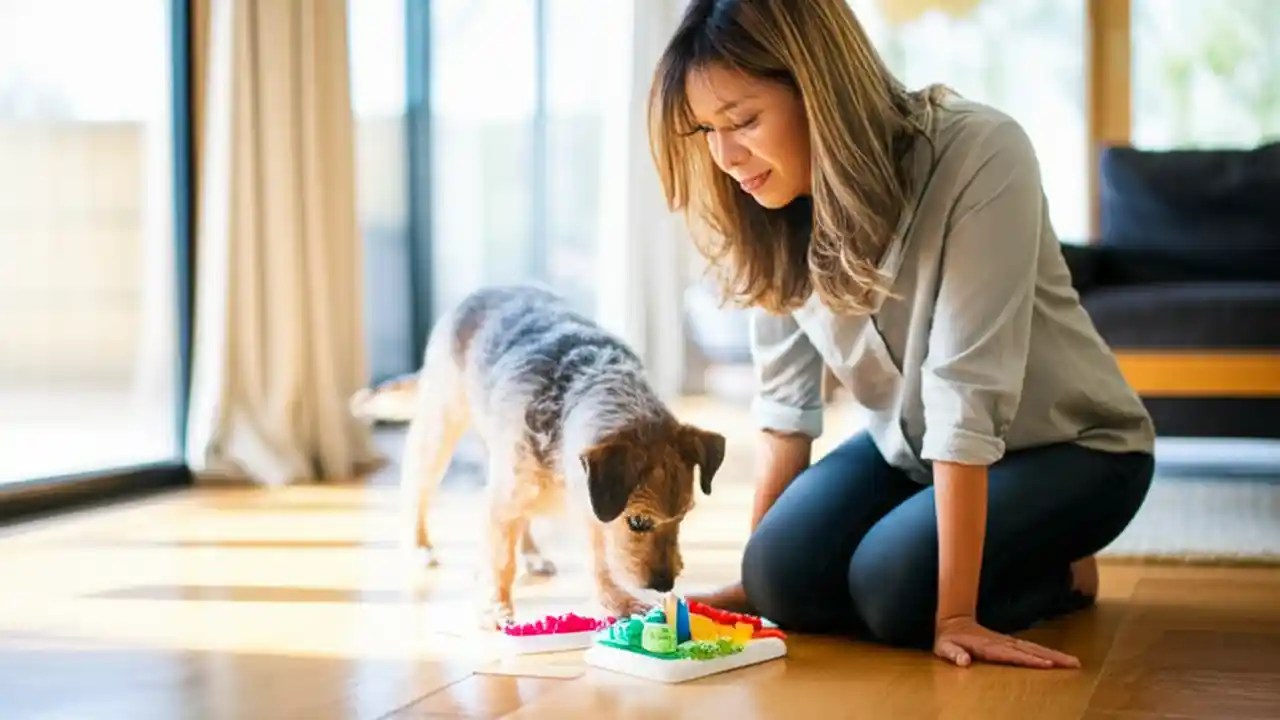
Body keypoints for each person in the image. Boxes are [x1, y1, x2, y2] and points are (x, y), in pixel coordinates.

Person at [648, 0, 1156, 670]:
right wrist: (759, 590)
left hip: (1075, 448)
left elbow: (964, 391)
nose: (726, 156)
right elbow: (785, 407)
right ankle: (925, 563)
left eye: (742, 121)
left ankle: (1062, 572)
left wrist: (954, 615)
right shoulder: (769, 208)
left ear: (819, 88)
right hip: (914, 452)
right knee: (784, 577)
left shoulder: (981, 151)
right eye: (707, 130)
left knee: (897, 595)